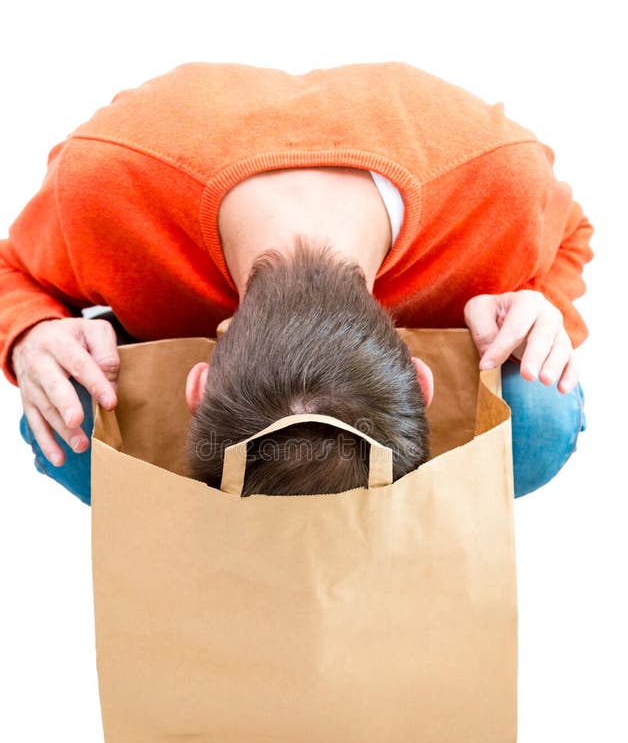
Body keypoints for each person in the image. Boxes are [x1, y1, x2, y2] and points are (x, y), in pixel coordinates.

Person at [1, 62, 592, 503]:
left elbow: (574, 235)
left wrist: (542, 307)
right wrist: (30, 332)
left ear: (199, 388)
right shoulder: (104, 191)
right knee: (64, 411)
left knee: (540, 412)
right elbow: (11, 267)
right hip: (163, 222)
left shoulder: (498, 187)